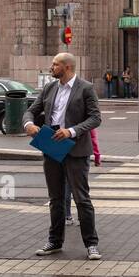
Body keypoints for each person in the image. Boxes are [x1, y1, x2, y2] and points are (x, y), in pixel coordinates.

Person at [24, 52, 104, 260]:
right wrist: (29, 124)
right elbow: (31, 110)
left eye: (55, 64)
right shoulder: (50, 88)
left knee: (81, 198)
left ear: (67, 67)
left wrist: (72, 131)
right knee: (56, 198)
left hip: (75, 149)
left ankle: (91, 244)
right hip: (52, 147)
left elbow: (95, 118)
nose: (51, 67)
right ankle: (54, 241)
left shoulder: (85, 88)